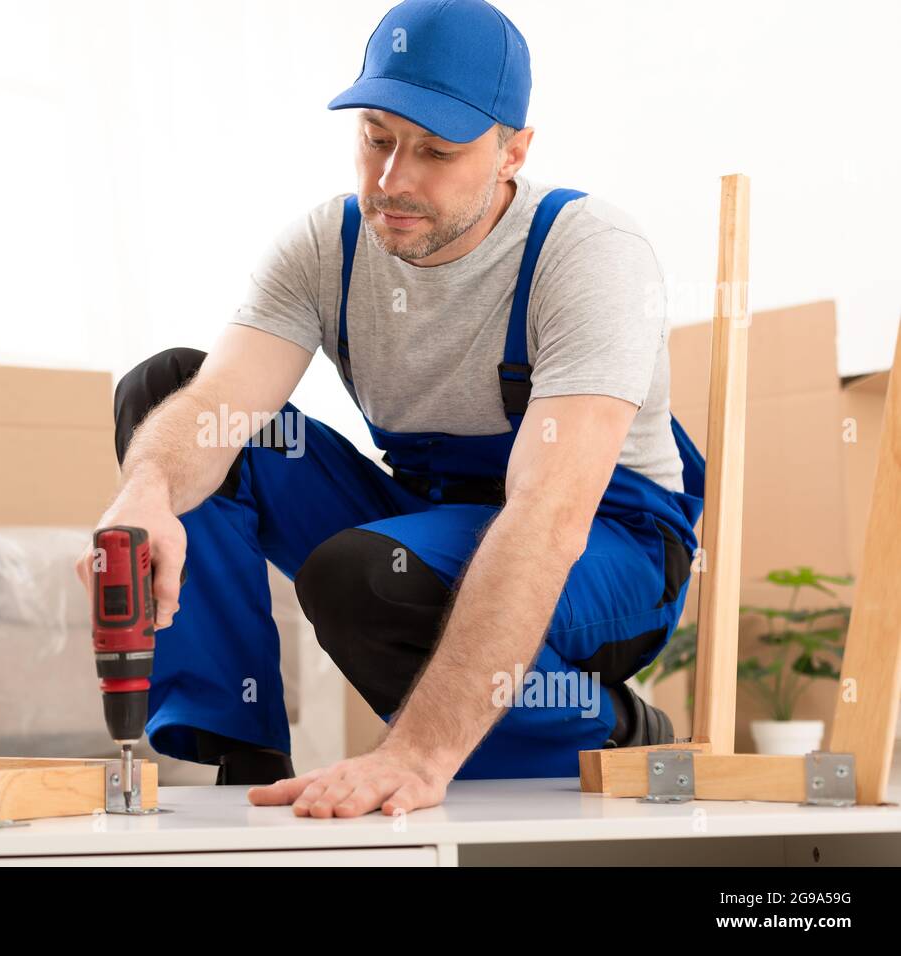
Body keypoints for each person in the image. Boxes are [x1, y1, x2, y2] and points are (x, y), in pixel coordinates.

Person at [76, 0, 703, 818]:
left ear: (514, 151)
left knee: (365, 582)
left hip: (608, 540)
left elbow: (549, 516)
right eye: (377, 137)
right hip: (433, 516)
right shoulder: (324, 246)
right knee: (164, 390)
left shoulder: (589, 257)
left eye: (437, 152)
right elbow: (219, 404)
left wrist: (417, 750)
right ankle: (242, 753)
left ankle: (608, 730)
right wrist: (147, 494)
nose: (391, 181)